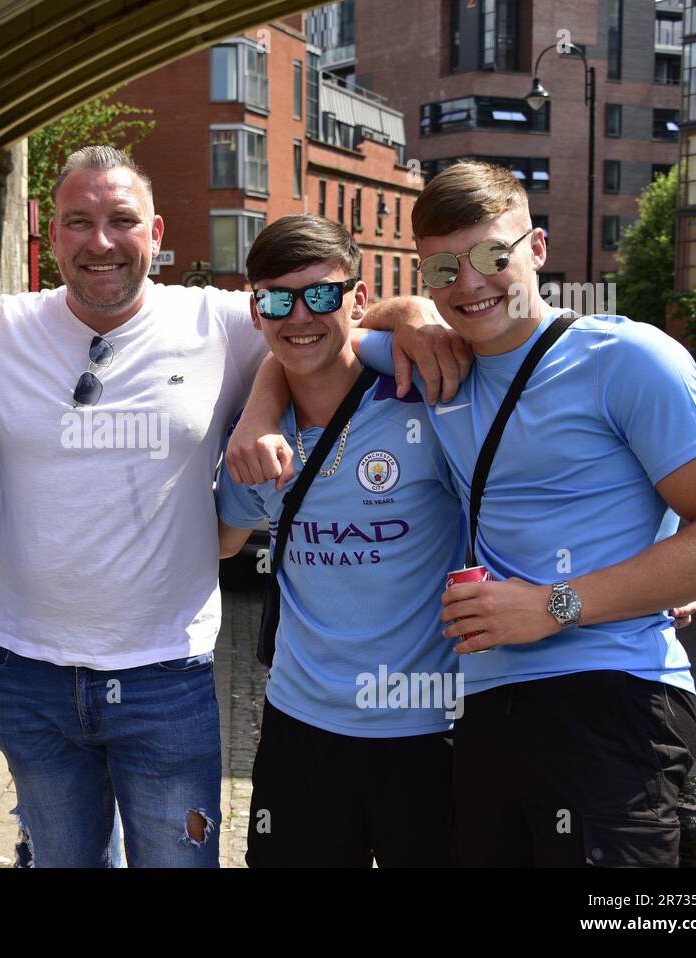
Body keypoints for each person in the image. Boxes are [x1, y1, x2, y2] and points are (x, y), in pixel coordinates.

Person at [0, 147, 466, 867]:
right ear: (51, 235)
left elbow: (329, 327)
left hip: (167, 677)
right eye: (78, 221)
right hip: (30, 676)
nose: (100, 241)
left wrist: (410, 321)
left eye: (121, 220)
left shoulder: (222, 322)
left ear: (155, 232)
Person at [230, 161, 696, 866]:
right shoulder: (437, 367)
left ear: (536, 249)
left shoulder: (626, 356)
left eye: (492, 255)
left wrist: (559, 603)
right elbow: (315, 340)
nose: (471, 283)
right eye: (444, 268)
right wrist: (258, 413)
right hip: (484, 708)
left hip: (609, 696)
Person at [217, 214, 463, 867]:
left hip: (427, 732)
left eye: (322, 295)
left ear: (357, 299)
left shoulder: (428, 401)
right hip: (299, 734)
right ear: (255, 309)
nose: (300, 315)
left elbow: (530, 495)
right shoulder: (253, 439)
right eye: (278, 298)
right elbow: (215, 542)